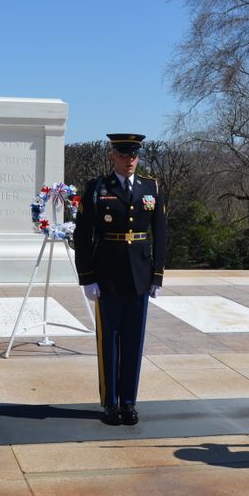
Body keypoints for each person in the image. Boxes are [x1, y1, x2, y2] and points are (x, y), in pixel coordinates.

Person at [74, 133, 168, 425]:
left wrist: (157, 275)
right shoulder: (97, 188)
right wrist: (87, 277)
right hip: (108, 274)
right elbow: (83, 235)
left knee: (134, 340)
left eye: (134, 155)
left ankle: (129, 401)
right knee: (110, 340)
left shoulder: (150, 187)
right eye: (124, 155)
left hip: (140, 274)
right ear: (112, 156)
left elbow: (160, 233)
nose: (130, 161)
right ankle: (110, 402)